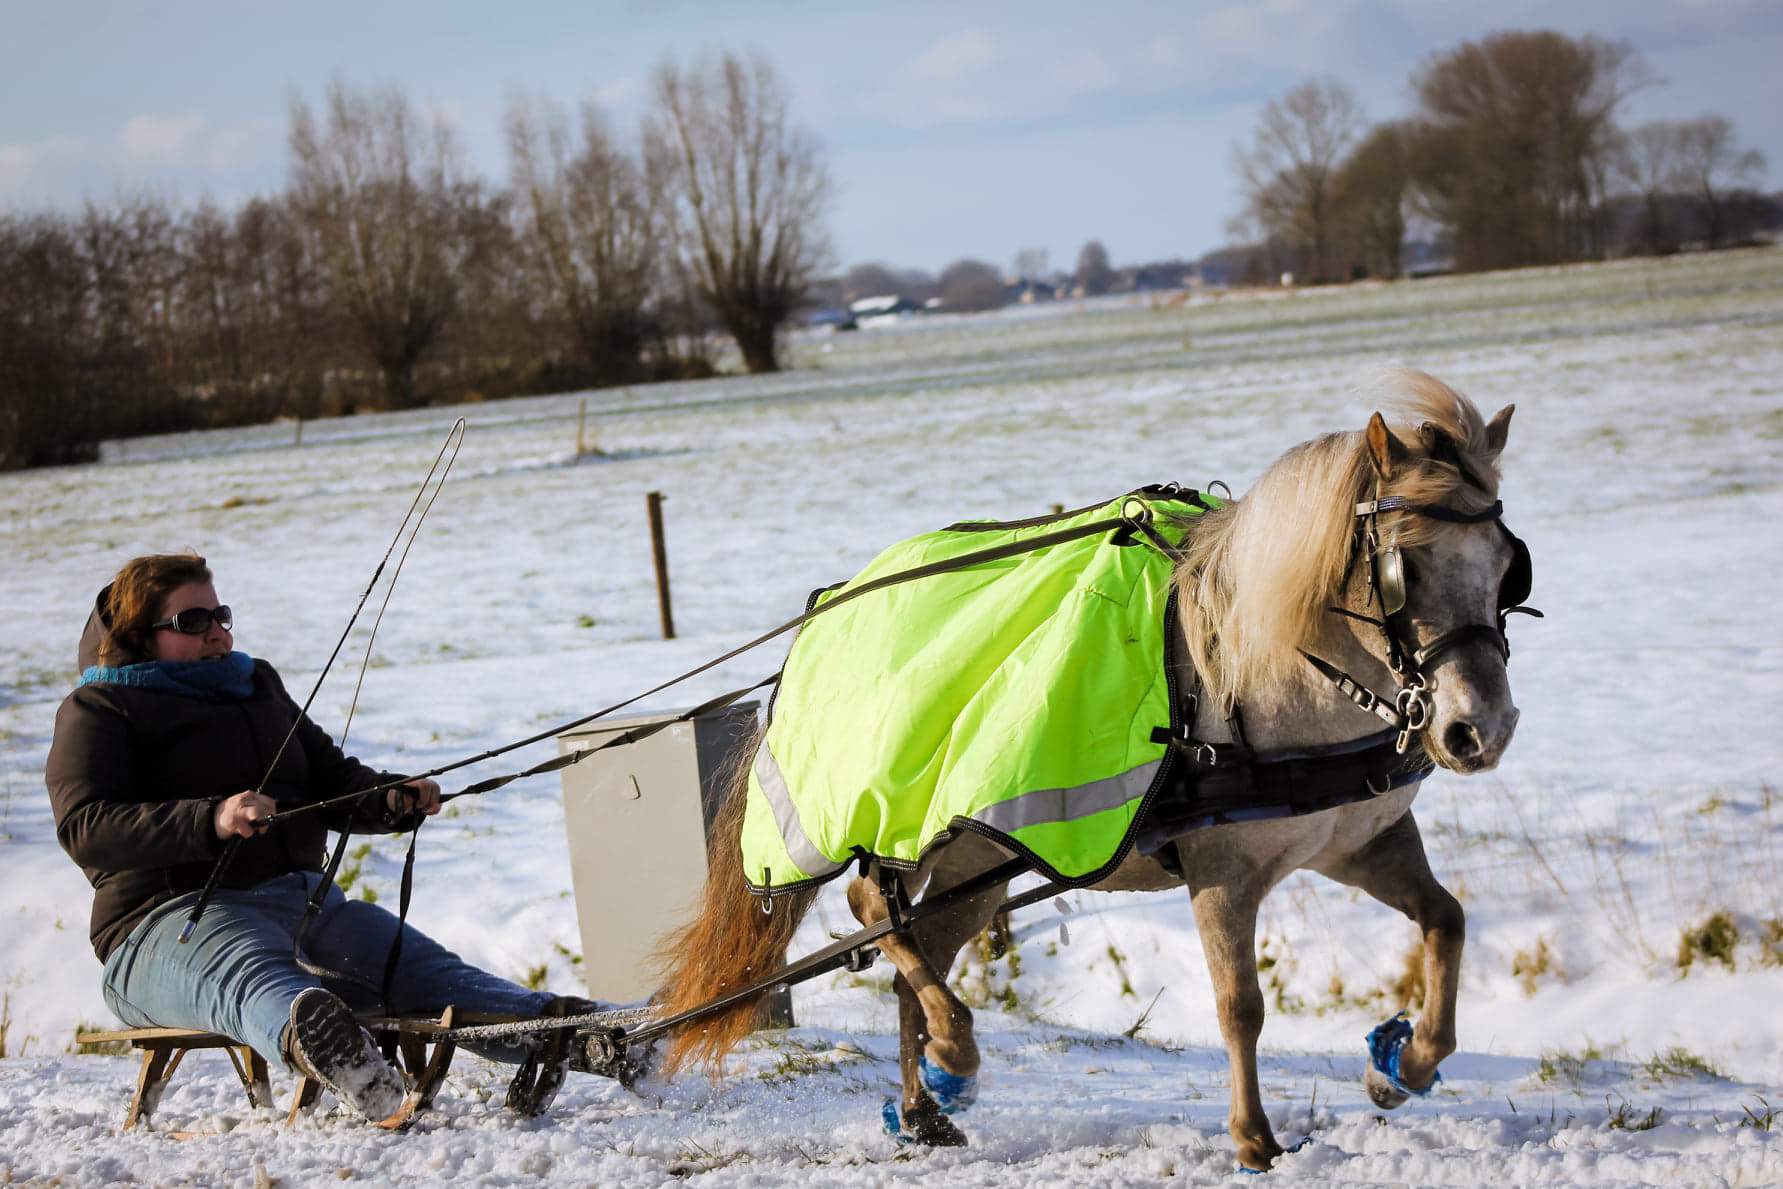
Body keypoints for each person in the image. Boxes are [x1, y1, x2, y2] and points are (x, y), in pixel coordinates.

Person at [46, 553, 578, 1123]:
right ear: (139, 636)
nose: (217, 634)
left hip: (302, 904)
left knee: (422, 970)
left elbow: (330, 777)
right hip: (166, 924)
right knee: (251, 973)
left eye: (221, 616)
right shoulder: (99, 708)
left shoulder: (256, 686)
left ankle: (579, 1035)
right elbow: (86, 826)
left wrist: (389, 798)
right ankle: (335, 1051)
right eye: (193, 623)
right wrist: (212, 818)